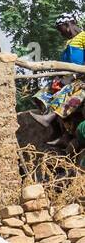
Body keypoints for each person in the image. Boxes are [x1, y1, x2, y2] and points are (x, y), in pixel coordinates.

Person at [31, 13, 85, 147]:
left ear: (68, 25)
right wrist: (58, 78)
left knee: (67, 92)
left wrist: (73, 77)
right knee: (43, 94)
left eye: (61, 30)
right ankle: (56, 131)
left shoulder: (84, 37)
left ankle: (51, 119)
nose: (61, 34)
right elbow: (64, 65)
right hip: (68, 77)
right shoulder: (68, 43)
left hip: (81, 78)